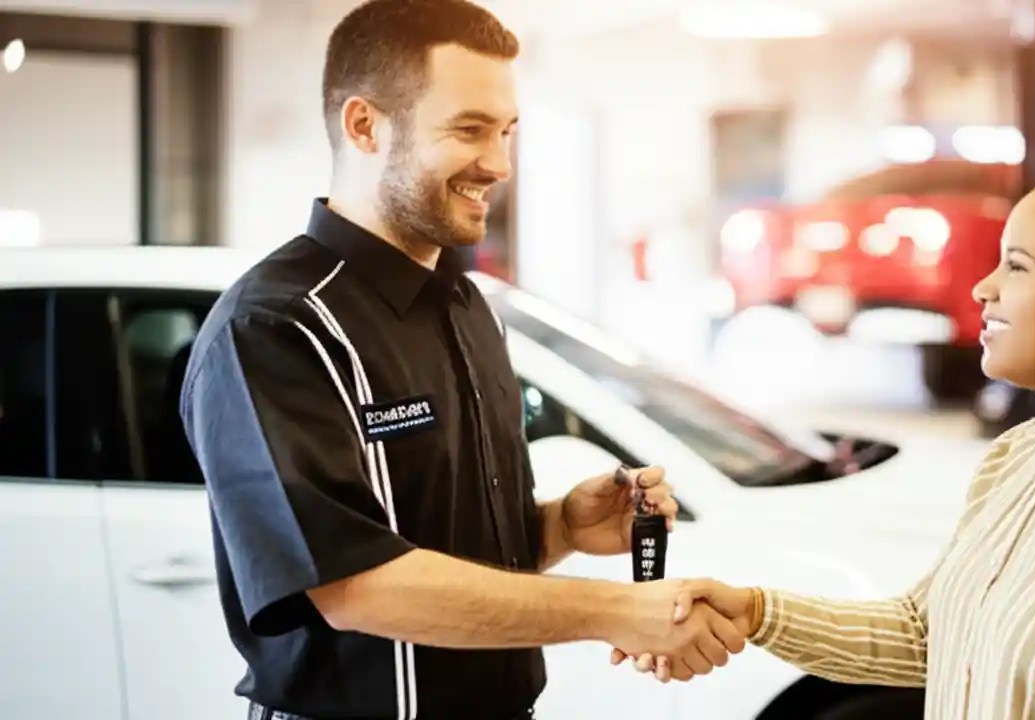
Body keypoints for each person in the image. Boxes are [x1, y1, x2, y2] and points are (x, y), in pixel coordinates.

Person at [180, 1, 744, 718]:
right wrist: (613, 611)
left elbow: (461, 556)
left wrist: (563, 528)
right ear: (364, 126)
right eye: (469, 129)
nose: (500, 164)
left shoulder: (469, 308)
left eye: (507, 131)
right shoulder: (276, 326)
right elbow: (353, 587)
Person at [625, 151, 1035, 718]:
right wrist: (756, 612)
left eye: (1017, 267)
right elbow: (925, 634)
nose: (984, 287)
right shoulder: (1020, 458)